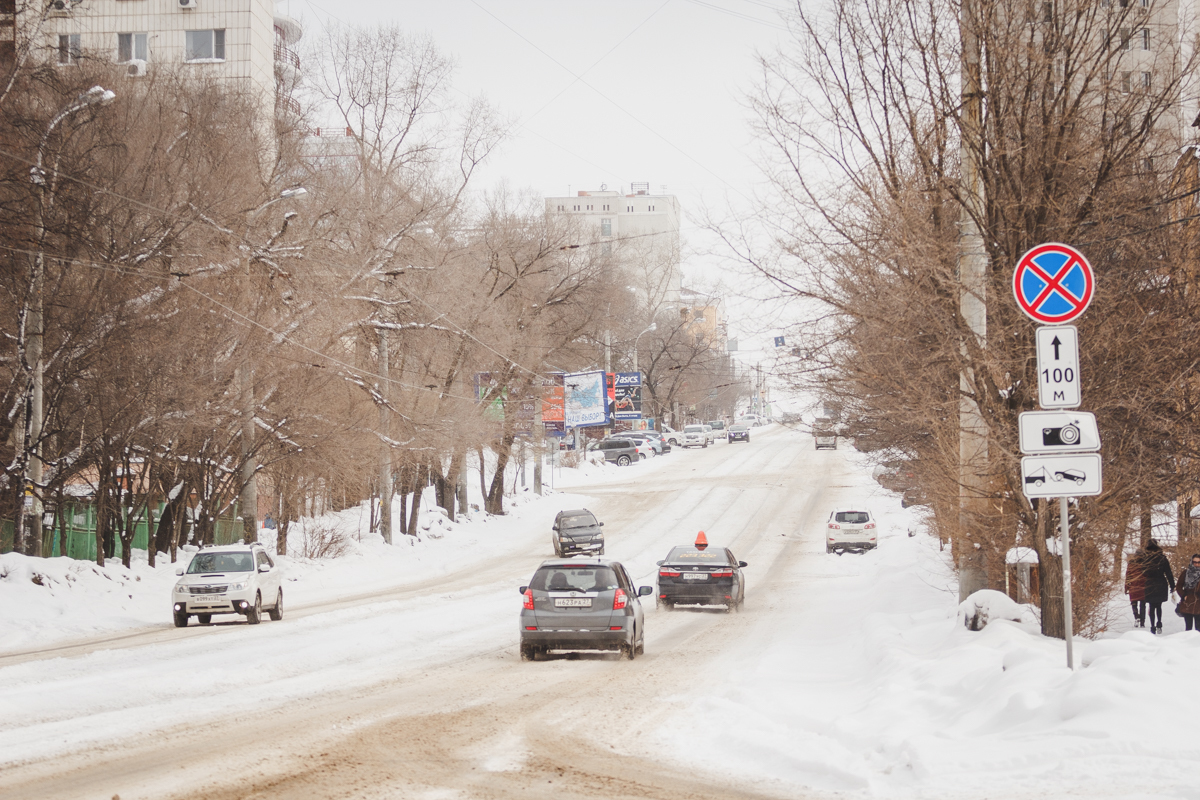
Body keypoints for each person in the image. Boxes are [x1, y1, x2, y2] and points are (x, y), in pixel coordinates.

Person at [1141, 539, 1176, 634]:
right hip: (1161, 582)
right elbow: (1168, 573)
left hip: (1150, 583)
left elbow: (1143, 572)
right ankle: (1159, 622)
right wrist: (1172, 586)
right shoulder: (1162, 558)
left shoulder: (1146, 559)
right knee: (1159, 605)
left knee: (1151, 606)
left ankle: (1152, 626)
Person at [1176, 553, 1200, 632]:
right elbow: (1179, 586)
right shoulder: (1186, 573)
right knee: (1188, 628)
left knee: (1198, 628)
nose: (1196, 564)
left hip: (1199, 603)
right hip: (1188, 602)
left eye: (1198, 562)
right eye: (1194, 562)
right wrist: (1183, 595)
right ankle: (1187, 643)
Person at [1124, 548, 1147, 628]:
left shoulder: (1131, 563)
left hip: (1133, 586)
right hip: (1143, 586)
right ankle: (1143, 622)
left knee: (1134, 603)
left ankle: (1136, 616)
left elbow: (1128, 576)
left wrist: (1126, 587)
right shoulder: (1146, 563)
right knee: (1143, 604)